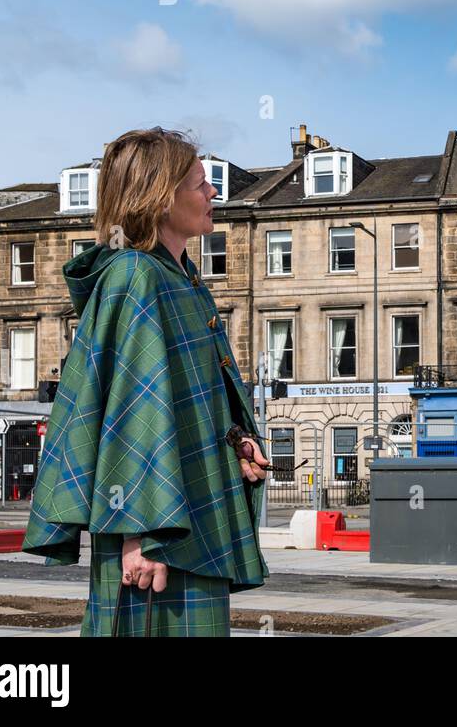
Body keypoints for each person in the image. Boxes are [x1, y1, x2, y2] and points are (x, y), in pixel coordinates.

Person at [23, 126, 271, 636]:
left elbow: (186, 405)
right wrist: (140, 536)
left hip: (188, 519)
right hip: (154, 531)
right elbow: (129, 416)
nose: (213, 194)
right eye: (201, 184)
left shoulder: (184, 279)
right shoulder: (136, 276)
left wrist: (236, 442)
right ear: (160, 200)